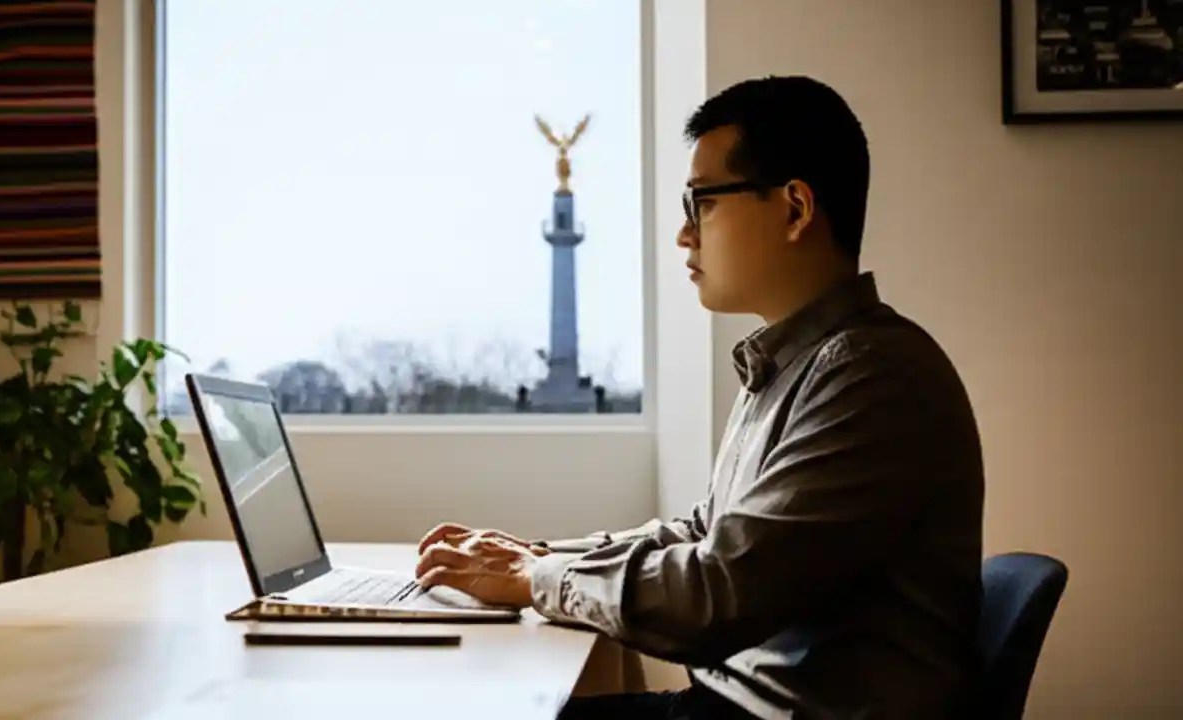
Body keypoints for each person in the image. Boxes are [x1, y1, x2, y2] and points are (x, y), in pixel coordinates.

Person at [415, 76, 984, 719]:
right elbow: (705, 533)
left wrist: (534, 580)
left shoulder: (869, 375)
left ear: (795, 209)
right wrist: (542, 557)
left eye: (701, 203)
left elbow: (719, 592)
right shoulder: (799, 363)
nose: (685, 236)